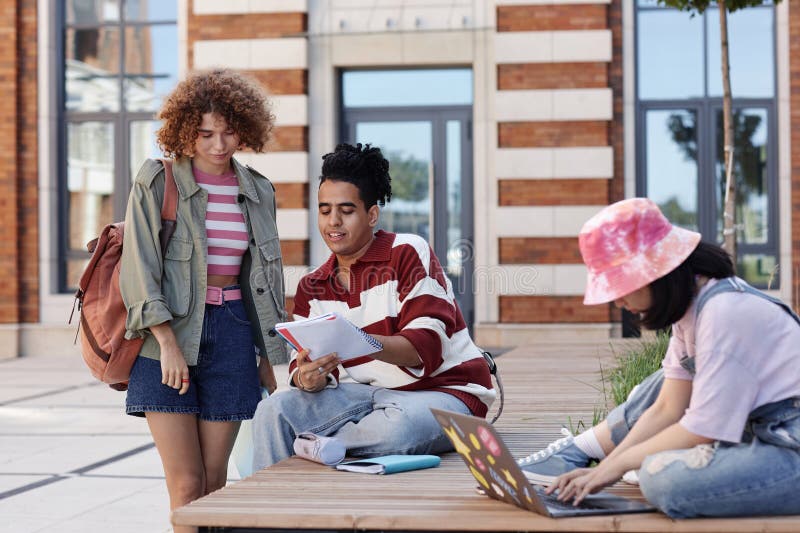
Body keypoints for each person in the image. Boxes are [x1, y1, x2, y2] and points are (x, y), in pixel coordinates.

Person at [518, 197, 800, 518]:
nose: (618, 301)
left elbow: (701, 428)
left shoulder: (724, 313)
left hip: (789, 447)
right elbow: (667, 407)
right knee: (653, 457)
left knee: (661, 479)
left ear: (657, 272)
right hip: (763, 436)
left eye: (621, 287)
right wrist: (605, 467)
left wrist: (616, 467)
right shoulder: (694, 310)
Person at [251, 142, 495, 470]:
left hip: (443, 394)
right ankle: (271, 512)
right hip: (364, 399)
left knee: (398, 428)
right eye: (325, 210)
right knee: (272, 411)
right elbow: (304, 367)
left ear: (372, 214)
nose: (333, 222)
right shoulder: (312, 286)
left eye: (346, 210)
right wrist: (308, 378)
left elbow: (425, 348)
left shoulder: (407, 252)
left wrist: (358, 341)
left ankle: (317, 446)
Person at [119, 69, 288, 532]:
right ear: (185, 130)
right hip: (166, 341)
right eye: (205, 133)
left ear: (244, 129)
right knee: (188, 485)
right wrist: (168, 342)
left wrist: (272, 356)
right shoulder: (157, 181)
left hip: (232, 335)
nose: (218, 144)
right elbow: (138, 270)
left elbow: (266, 284)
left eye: (229, 131)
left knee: (216, 484)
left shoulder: (258, 191)